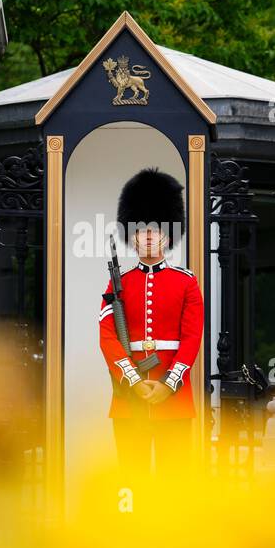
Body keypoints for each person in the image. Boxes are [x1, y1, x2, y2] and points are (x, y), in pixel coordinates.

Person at [98, 168, 204, 483]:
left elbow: (191, 338)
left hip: (174, 397)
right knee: (132, 479)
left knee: (174, 483)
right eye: (141, 229)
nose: (147, 235)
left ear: (167, 236)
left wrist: (169, 384)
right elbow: (107, 336)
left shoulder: (186, 282)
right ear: (132, 236)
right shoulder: (120, 283)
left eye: (154, 229)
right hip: (129, 399)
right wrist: (132, 379)